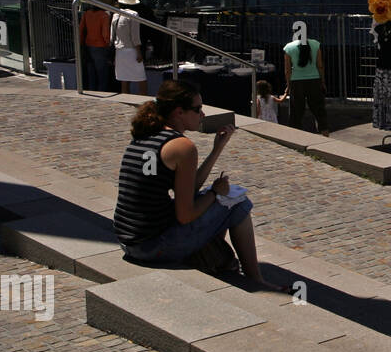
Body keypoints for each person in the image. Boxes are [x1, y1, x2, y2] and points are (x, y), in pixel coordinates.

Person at [113, 79, 286, 291]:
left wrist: (217, 149)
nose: (202, 115)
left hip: (128, 241)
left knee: (210, 197)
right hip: (153, 247)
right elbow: (185, 214)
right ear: (179, 112)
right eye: (197, 109)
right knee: (238, 204)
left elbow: (189, 188)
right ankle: (256, 280)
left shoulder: (148, 134)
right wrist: (215, 192)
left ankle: (210, 257)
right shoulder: (182, 146)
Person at [283, 33, 329, 134]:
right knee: (319, 110)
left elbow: (287, 70)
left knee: (296, 112)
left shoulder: (288, 47)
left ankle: (296, 138)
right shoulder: (316, 44)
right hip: (314, 80)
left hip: (296, 82)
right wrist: (322, 82)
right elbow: (320, 65)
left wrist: (288, 85)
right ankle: (324, 134)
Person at [110, 0, 148, 96]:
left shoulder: (115, 14)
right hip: (131, 50)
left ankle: (126, 99)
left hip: (119, 50)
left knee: (124, 79)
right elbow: (134, 35)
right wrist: (139, 52)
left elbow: (111, 35)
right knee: (142, 79)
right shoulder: (133, 14)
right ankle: (143, 100)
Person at [80, 0, 114, 91]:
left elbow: (81, 29)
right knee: (102, 75)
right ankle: (102, 93)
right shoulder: (104, 15)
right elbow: (105, 34)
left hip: (88, 46)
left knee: (91, 74)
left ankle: (92, 93)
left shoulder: (87, 13)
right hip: (100, 47)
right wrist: (109, 45)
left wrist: (81, 43)